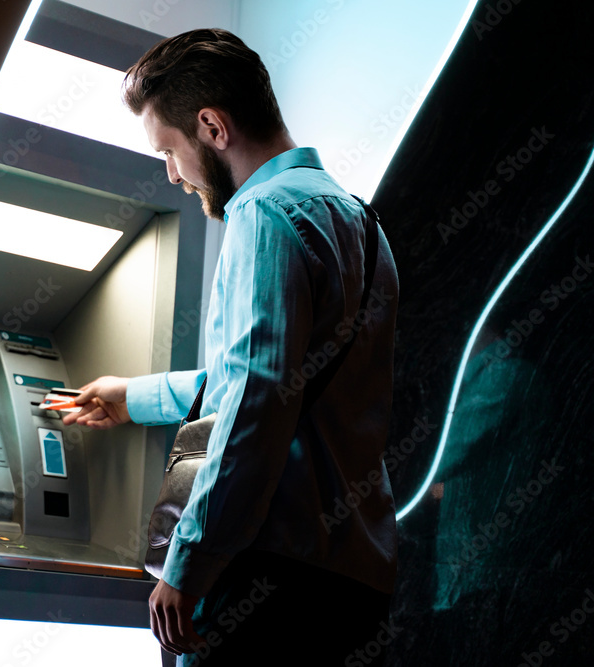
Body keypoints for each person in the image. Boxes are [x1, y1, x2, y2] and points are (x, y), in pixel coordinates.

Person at [62, 29, 400, 665]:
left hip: (271, 578)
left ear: (213, 127)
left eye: (168, 149)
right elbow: (260, 379)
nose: (173, 174)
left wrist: (188, 563)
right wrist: (129, 397)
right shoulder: (362, 222)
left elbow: (255, 404)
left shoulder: (264, 214)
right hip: (355, 575)